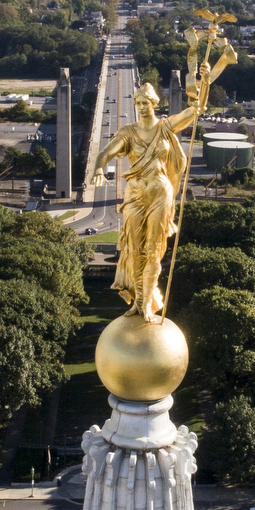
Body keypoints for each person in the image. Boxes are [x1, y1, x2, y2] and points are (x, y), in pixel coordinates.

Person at [91, 68, 212, 322]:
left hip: (160, 193)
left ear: (154, 103)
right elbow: (105, 152)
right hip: (135, 196)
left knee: (154, 250)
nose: (142, 107)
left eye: (146, 103)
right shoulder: (128, 132)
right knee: (134, 250)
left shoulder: (166, 127)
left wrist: (206, 81)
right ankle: (137, 300)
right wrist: (99, 168)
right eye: (138, 103)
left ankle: (146, 303)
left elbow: (195, 111)